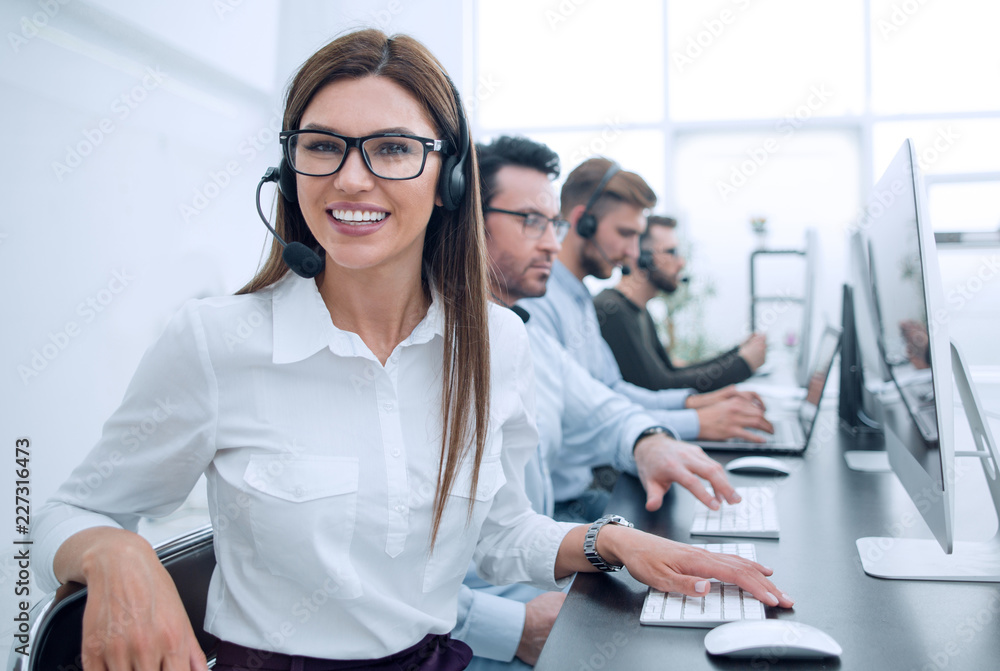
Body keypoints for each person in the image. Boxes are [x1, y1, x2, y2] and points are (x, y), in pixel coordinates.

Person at [33, 32, 792, 671]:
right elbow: (66, 506)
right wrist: (113, 551)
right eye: (322, 147)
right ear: (288, 168)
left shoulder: (495, 343)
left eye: (393, 148)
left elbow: (498, 533)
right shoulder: (216, 341)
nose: (351, 177)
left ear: (450, 180)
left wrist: (616, 543)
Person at [453, 136, 790, 669]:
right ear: (465, 221)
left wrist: (649, 440)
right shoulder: (445, 342)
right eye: (531, 222)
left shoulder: (518, 329)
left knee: (676, 615)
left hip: (530, 555)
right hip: (490, 603)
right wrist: (513, 624)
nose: (550, 243)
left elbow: (602, 402)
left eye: (553, 224)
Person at [594, 214, 768, 392]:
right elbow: (661, 386)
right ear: (640, 257)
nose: (681, 263)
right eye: (671, 253)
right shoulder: (612, 310)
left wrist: (737, 353)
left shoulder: (639, 311)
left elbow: (670, 371)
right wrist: (742, 365)